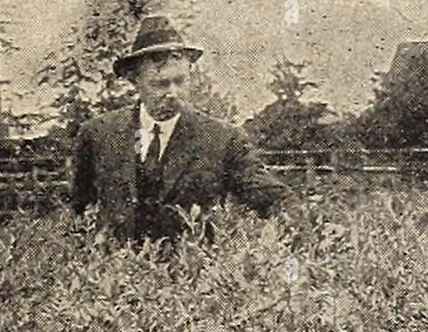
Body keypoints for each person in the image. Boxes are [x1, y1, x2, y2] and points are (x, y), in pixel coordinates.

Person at [72, 15, 291, 244]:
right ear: (134, 81)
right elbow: (78, 208)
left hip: (191, 271)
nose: (173, 93)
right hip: (116, 272)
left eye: (180, 81)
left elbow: (274, 198)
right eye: (159, 84)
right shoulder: (98, 134)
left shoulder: (223, 139)